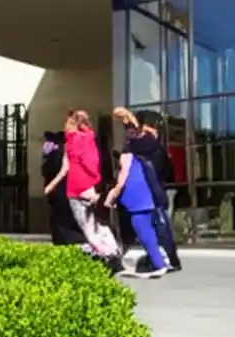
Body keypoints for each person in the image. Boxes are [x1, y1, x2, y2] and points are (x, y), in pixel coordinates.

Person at [44, 110, 122, 271]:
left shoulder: (71, 143)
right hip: (87, 188)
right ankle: (112, 252)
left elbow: (67, 168)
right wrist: (95, 182)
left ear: (73, 124)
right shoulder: (89, 140)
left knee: (88, 226)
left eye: (68, 122)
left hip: (76, 188)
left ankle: (107, 256)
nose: (65, 126)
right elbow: (91, 163)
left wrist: (51, 185)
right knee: (96, 223)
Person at [114, 106, 182, 272]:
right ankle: (163, 259)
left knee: (160, 229)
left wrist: (131, 119)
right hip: (150, 195)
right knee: (153, 230)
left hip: (154, 195)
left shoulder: (149, 145)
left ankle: (169, 260)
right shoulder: (144, 145)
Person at [105, 150, 169, 279]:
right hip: (144, 203)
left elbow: (122, 181)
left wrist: (112, 195)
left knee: (146, 235)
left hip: (138, 205)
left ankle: (158, 264)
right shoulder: (141, 162)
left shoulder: (127, 157)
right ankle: (158, 262)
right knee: (148, 235)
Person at [39, 131, 85, 246]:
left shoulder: (56, 153)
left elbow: (47, 171)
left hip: (60, 192)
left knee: (61, 223)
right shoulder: (71, 153)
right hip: (70, 192)